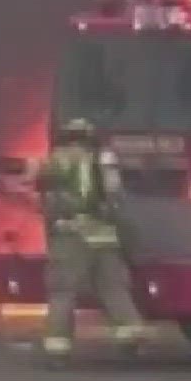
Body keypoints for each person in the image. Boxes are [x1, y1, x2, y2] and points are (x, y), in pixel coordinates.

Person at [35, 117, 146, 358]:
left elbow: (41, 178)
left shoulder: (63, 157)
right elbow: (115, 195)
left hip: (72, 234)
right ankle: (130, 334)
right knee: (114, 288)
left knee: (62, 291)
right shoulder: (105, 159)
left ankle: (57, 348)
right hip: (106, 235)